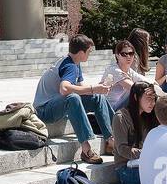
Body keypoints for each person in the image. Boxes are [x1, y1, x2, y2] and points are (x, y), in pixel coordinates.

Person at [34, 34, 115, 165]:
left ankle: (111, 139)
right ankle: (86, 149)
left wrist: (98, 90)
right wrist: (94, 88)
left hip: (57, 104)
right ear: (81, 52)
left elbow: (82, 88)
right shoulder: (69, 65)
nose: (90, 54)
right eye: (89, 51)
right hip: (44, 110)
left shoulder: (75, 63)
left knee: (97, 98)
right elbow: (64, 89)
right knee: (73, 98)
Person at [100, 37, 155, 113]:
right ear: (117, 55)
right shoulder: (113, 70)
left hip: (120, 107)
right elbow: (134, 88)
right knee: (135, 91)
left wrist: (156, 87)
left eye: (131, 53)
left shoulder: (129, 71)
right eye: (124, 54)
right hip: (110, 110)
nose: (128, 56)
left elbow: (149, 81)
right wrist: (152, 89)